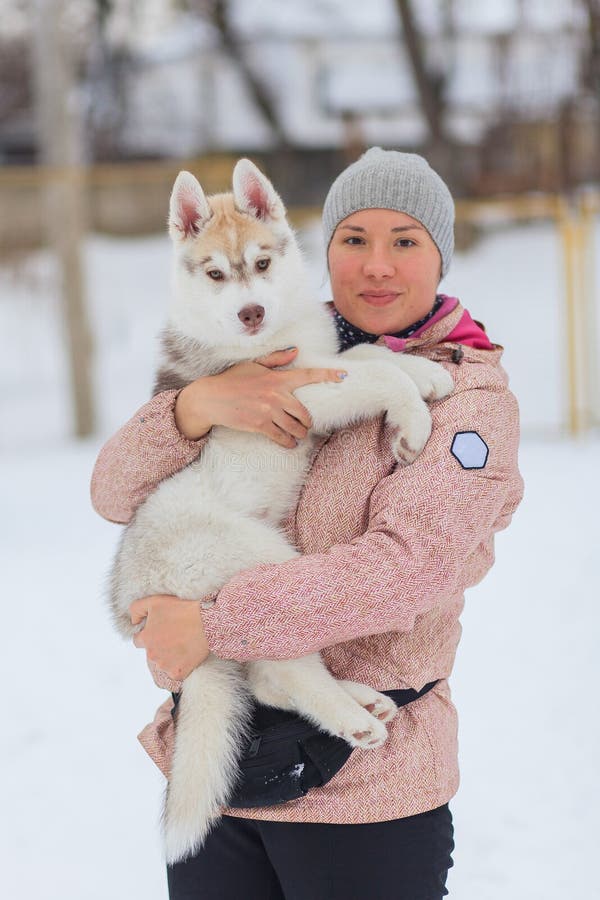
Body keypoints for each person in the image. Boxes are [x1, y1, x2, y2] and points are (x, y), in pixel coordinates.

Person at [91, 147, 524, 899]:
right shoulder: (260, 347)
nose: (378, 265)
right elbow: (112, 491)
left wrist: (212, 626)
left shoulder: (470, 402)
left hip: (367, 799)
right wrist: (194, 408)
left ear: (440, 256)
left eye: (405, 241)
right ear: (323, 250)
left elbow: (405, 570)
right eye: (355, 240)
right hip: (233, 772)